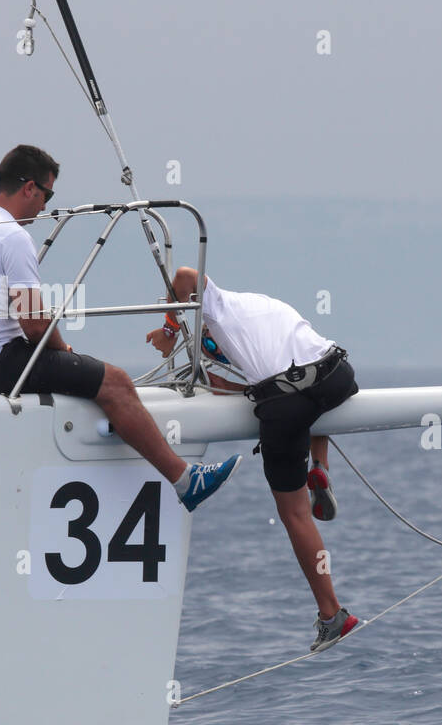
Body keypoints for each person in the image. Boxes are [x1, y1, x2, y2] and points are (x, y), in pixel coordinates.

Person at [0, 145, 239, 511]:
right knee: (115, 382)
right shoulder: (10, 235)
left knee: (78, 373)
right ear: (29, 188)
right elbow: (37, 325)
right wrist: (64, 351)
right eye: (47, 194)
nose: (45, 207)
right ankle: (186, 481)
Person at [147, 267, 360, 652]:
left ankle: (332, 615)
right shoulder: (265, 307)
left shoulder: (217, 308)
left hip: (287, 402)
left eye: (209, 347)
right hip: (336, 375)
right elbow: (264, 380)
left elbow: (183, 275)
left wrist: (168, 332)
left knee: (294, 513)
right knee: (307, 400)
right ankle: (320, 468)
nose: (214, 352)